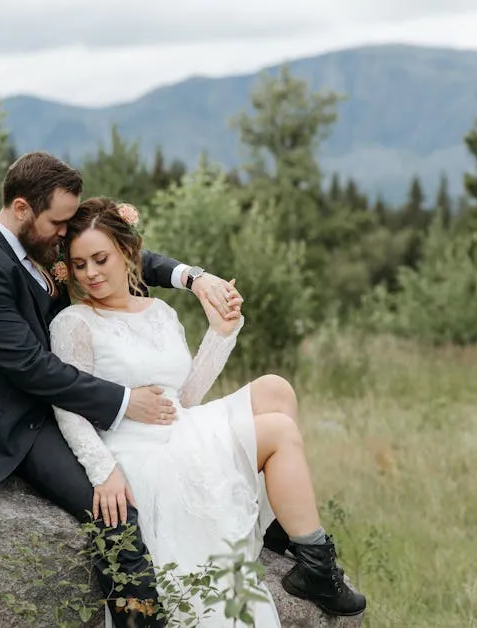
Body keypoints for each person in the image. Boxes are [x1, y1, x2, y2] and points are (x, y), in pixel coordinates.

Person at [0, 151, 242, 628]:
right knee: (117, 515)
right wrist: (125, 403)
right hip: (10, 420)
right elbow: (31, 369)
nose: (66, 236)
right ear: (23, 209)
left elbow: (113, 253)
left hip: (53, 406)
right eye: (60, 223)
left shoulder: (31, 245)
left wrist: (190, 277)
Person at [48, 197, 367, 626]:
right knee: (276, 432)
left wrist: (222, 333)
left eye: (100, 259)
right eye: (80, 264)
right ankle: (317, 564)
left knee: (276, 388)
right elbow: (67, 406)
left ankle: (281, 532)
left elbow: (186, 397)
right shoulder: (74, 323)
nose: (91, 273)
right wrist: (101, 470)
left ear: (128, 251)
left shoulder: (159, 310)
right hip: (138, 451)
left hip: (181, 427)